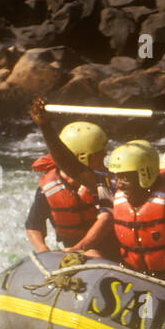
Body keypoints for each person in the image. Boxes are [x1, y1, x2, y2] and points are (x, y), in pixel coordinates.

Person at [34, 97, 165, 292]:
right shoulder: (115, 190)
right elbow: (74, 169)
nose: (120, 183)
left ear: (145, 175)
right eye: (117, 177)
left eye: (125, 178)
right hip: (137, 279)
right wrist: (45, 127)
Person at [26, 101, 115, 258]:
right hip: (72, 249)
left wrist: (80, 248)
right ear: (80, 158)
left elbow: (106, 219)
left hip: (106, 248)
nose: (105, 155)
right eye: (98, 153)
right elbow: (34, 225)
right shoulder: (48, 189)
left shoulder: (105, 182)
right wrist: (43, 251)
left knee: (93, 254)